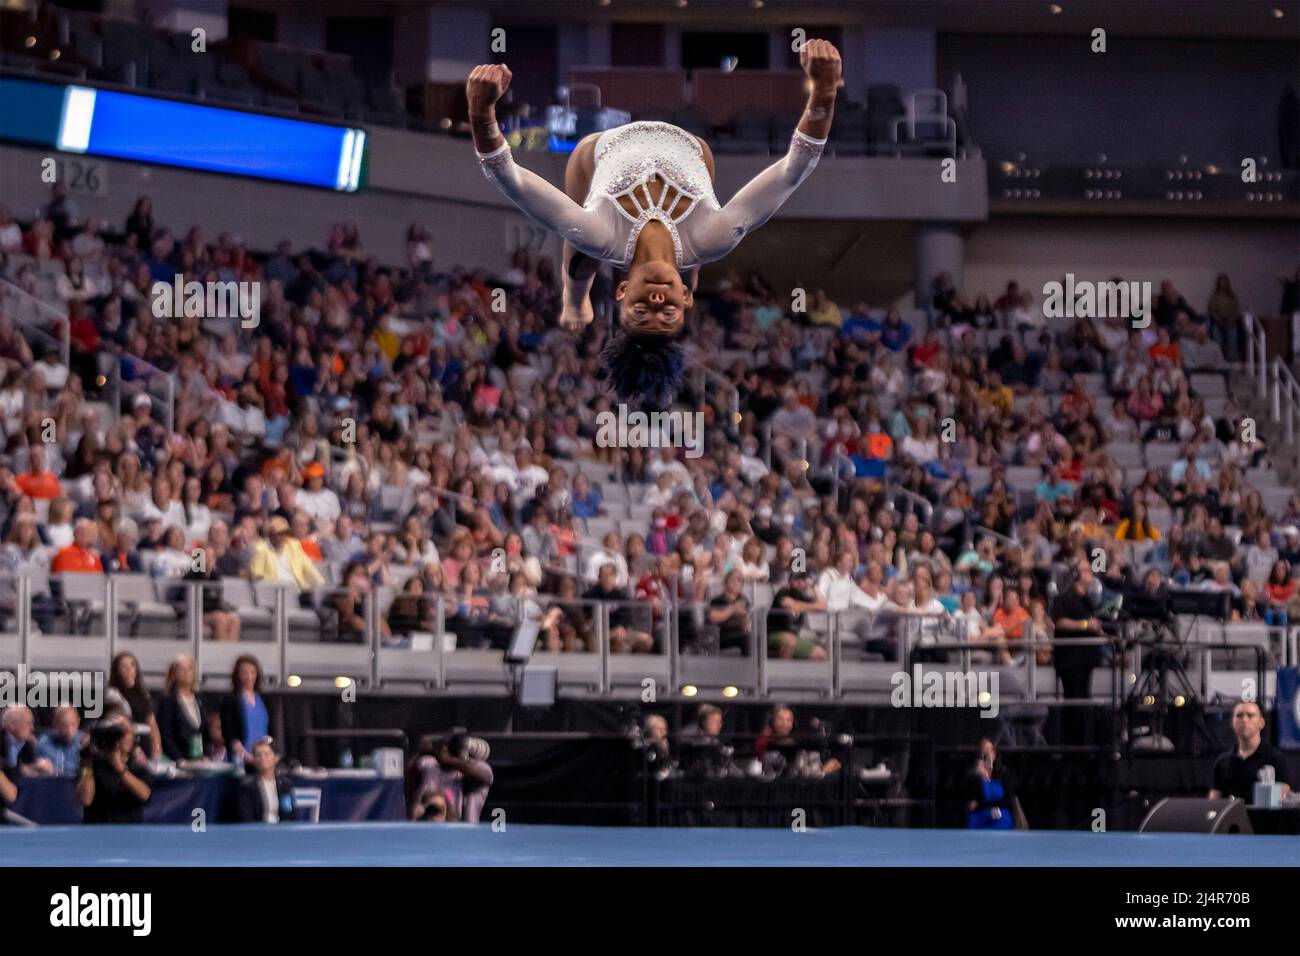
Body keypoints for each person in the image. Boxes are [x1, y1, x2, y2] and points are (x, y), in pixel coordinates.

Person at [467, 40, 842, 404]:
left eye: (642, 310)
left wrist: (481, 114)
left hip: (600, 150)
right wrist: (824, 91)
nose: (657, 300)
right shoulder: (715, 237)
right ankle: (687, 272)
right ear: (686, 301)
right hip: (692, 149)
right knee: (697, 248)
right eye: (669, 311)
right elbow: (794, 169)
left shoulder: (602, 234)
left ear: (622, 292)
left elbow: (511, 179)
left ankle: (576, 302)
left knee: (581, 246)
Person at [1051, 560, 1107, 744]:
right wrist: (1085, 625)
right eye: (1086, 571)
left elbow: (1090, 624)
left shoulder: (1088, 601)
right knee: (1074, 705)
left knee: (1085, 704)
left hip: (1086, 661)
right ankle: (1073, 745)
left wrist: (1098, 630)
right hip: (1071, 661)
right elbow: (1059, 621)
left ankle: (1085, 743)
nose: (1091, 574)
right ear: (1076, 575)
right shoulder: (1064, 598)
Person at [1209, 699, 1295, 801]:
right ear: (1233, 722)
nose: (1244, 720)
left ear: (1261, 723)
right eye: (1239, 715)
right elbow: (1214, 799)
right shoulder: (1222, 762)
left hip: (1263, 816)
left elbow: (1282, 796)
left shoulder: (1276, 759)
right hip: (1232, 816)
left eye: (1250, 716)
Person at [77, 715, 151, 823]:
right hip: (97, 830)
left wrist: (119, 767)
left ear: (133, 737)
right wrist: (88, 765)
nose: (121, 737)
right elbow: (85, 800)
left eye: (126, 731)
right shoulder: (95, 763)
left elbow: (145, 794)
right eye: (117, 731)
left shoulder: (137, 765)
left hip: (129, 831)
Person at [410, 732, 494, 823]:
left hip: (458, 828)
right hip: (422, 823)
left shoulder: (475, 769)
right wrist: (424, 751)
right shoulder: (427, 764)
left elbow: (486, 777)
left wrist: (449, 760)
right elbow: (409, 773)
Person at [109, 652, 163, 759]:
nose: (129, 670)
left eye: (132, 665)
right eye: (124, 666)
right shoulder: (112, 695)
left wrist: (157, 747)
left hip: (145, 746)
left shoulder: (143, 694)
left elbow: (152, 723)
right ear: (117, 671)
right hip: (127, 749)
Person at [220, 655, 270, 765]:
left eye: (253, 672)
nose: (249, 677)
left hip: (263, 758)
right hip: (240, 758)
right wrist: (248, 757)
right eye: (244, 672)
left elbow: (271, 731)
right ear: (237, 675)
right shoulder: (230, 699)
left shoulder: (264, 699)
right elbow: (229, 733)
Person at [157, 655, 207, 762]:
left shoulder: (199, 699)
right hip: (177, 760)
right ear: (173, 675)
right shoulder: (168, 700)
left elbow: (203, 731)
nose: (186, 672)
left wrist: (203, 755)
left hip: (197, 759)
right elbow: (165, 734)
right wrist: (178, 758)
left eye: (190, 668)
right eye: (181, 669)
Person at [236, 737, 297, 823]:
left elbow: (289, 813)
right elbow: (247, 818)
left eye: (266, 754)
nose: (262, 758)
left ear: (276, 757)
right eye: (258, 755)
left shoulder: (285, 785)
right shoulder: (247, 787)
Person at [966, 738, 1018, 829]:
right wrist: (981, 776)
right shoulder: (974, 775)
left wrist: (991, 807)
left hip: (1000, 813)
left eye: (991, 750)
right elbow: (972, 803)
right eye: (985, 751)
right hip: (981, 815)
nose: (988, 753)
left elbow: (1008, 800)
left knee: (1001, 818)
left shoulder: (1004, 773)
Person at [37, 706, 87, 777]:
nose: (69, 731)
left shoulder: (85, 742)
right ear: (55, 724)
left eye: (73, 724)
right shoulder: (43, 744)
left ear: (78, 721)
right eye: (64, 726)